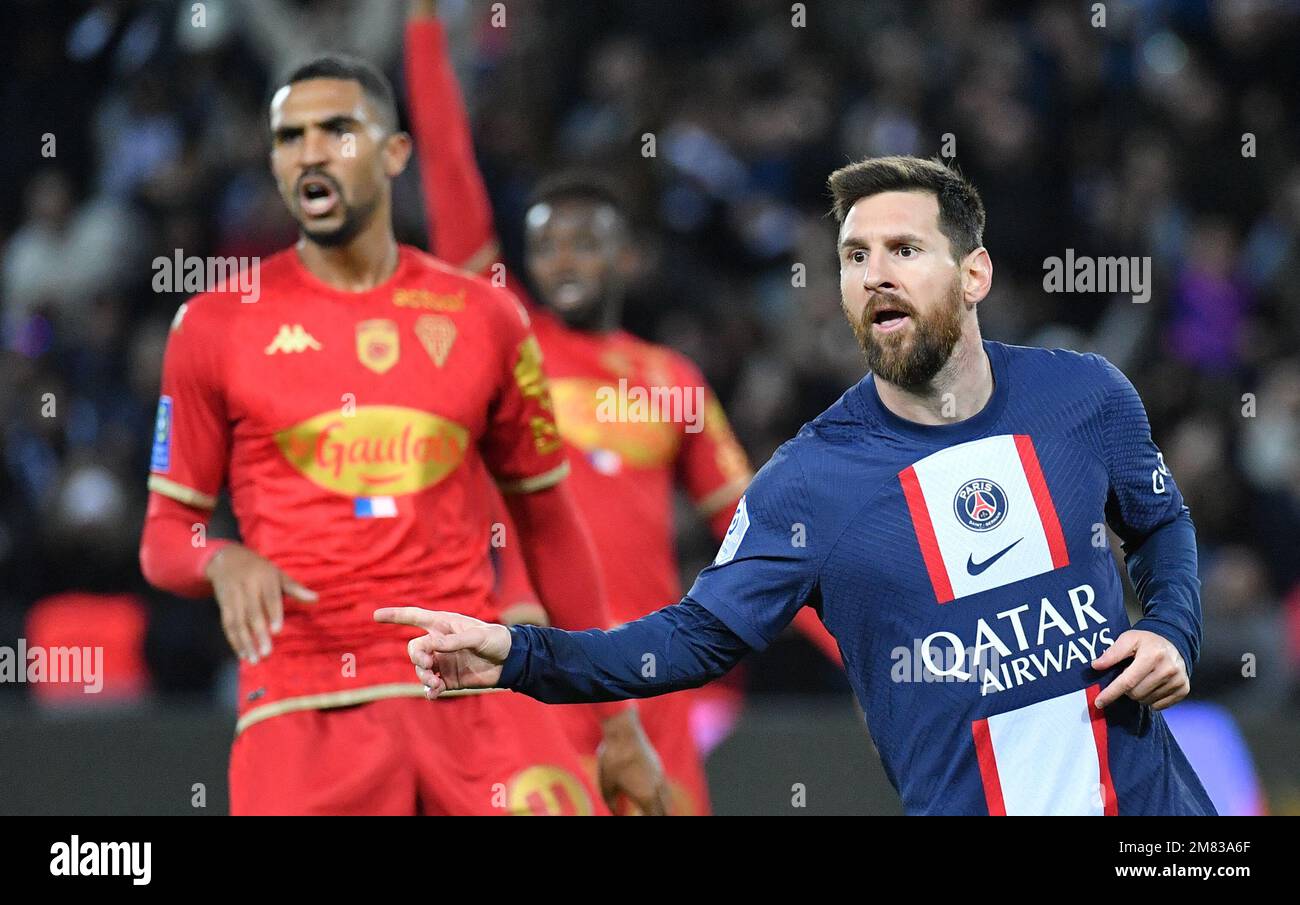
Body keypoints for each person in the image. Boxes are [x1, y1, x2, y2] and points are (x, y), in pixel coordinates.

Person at [377, 155, 1218, 816]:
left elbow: (1161, 522)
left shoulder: (1085, 397)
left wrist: (1173, 628)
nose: (874, 273)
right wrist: (519, 653)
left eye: (904, 250)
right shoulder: (809, 482)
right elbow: (688, 639)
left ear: (974, 275)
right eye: (856, 256)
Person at [138, 53, 665, 815]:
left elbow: (550, 526)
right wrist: (219, 559)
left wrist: (617, 720)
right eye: (290, 137)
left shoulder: (484, 317)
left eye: (338, 130)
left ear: (393, 154)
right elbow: (164, 533)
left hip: (473, 688)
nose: (310, 152)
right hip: (303, 706)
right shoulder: (213, 325)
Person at [404, 1, 839, 814]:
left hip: (653, 664)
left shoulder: (671, 379)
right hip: (533, 663)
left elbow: (755, 534)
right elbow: (450, 180)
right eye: (546, 241)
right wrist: (425, 27)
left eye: (585, 239)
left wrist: (862, 642)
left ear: (628, 256)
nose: (562, 256)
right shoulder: (509, 343)